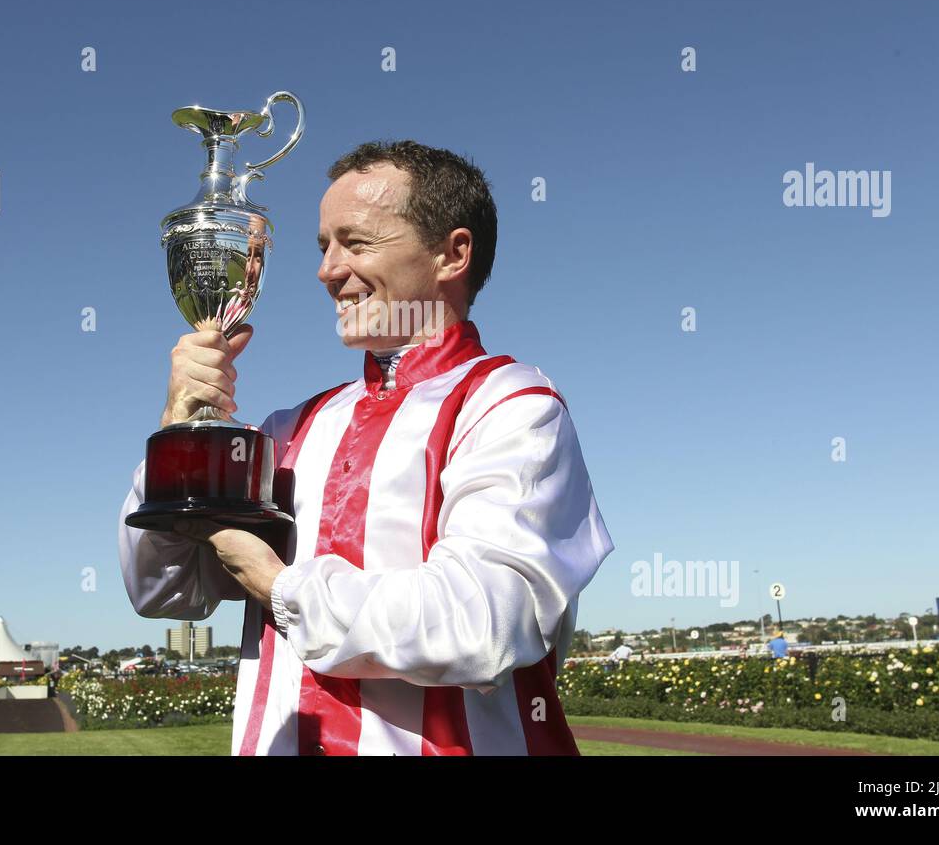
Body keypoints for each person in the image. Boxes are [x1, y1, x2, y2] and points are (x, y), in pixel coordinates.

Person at [120, 140, 614, 755]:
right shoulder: (290, 427)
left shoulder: (511, 406)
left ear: (451, 254)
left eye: (356, 243)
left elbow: (483, 622)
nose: (328, 271)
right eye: (324, 247)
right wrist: (179, 435)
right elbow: (165, 590)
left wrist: (280, 587)